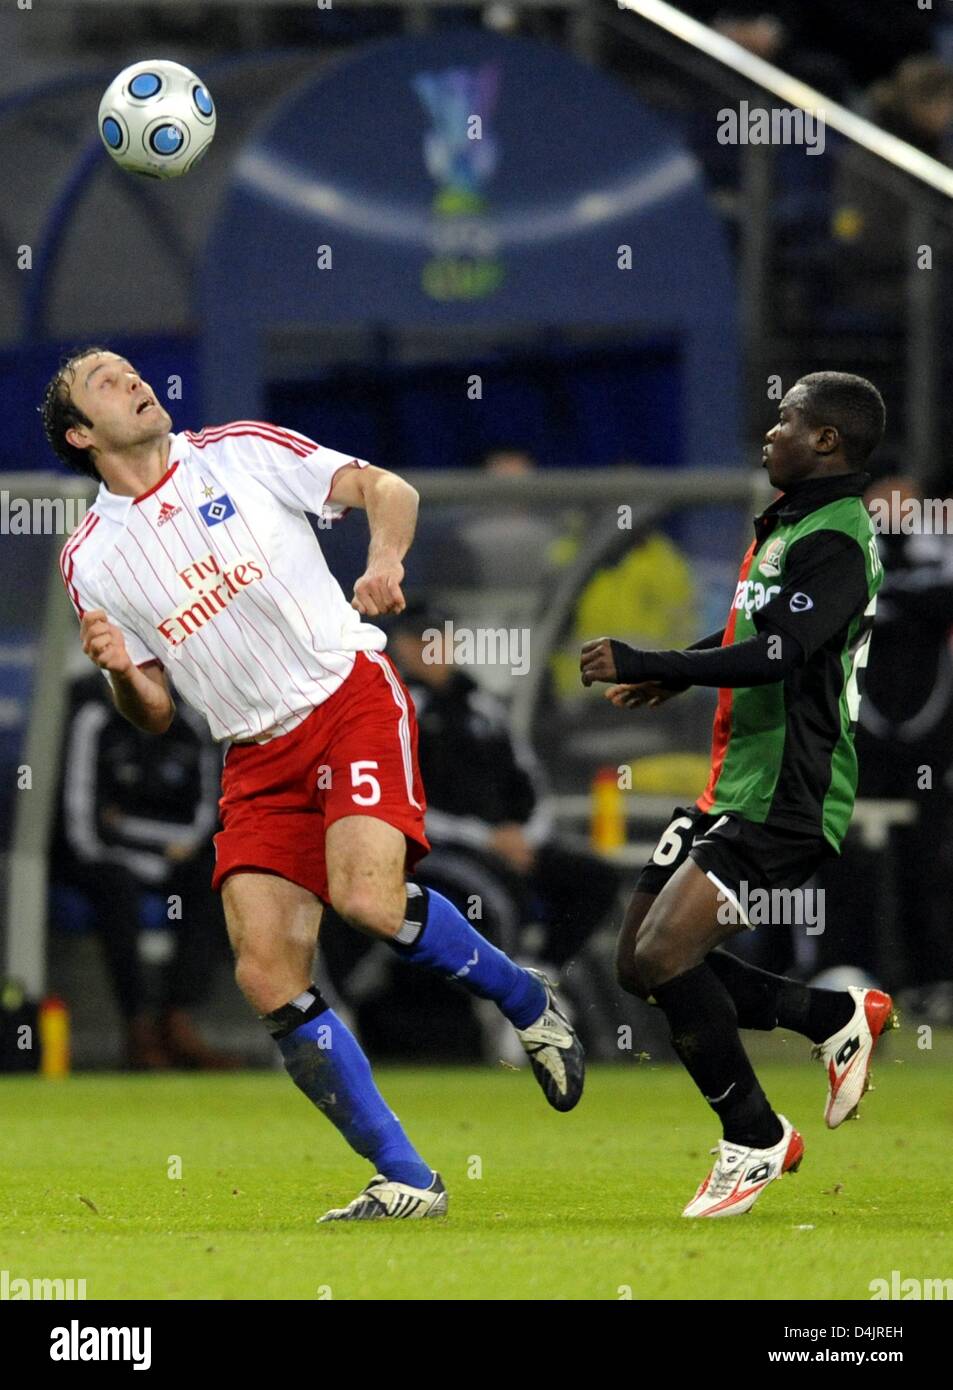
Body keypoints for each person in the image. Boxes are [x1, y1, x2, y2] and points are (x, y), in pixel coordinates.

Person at [43, 346, 584, 1223]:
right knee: (265, 975)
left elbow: (389, 490)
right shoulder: (92, 559)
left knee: (367, 901)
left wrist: (385, 560)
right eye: (105, 381)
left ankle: (525, 999)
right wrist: (118, 672)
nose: (135, 379)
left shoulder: (238, 451)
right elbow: (150, 709)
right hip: (253, 756)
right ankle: (406, 1176)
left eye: (131, 369)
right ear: (79, 433)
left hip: (346, 701)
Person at [580, 371, 896, 1218]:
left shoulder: (836, 535)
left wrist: (654, 662)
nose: (769, 429)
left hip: (788, 796)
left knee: (660, 958)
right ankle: (830, 1013)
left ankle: (753, 1136)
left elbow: (780, 653)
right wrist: (679, 675)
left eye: (786, 418)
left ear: (825, 439)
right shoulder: (788, 525)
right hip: (733, 785)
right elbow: (753, 631)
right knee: (636, 961)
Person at [52, 670, 239, 1070]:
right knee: (116, 886)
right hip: (102, 860)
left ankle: (177, 1018)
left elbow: (207, 818)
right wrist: (154, 844)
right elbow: (83, 829)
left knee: (216, 877)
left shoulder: (190, 723)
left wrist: (127, 827)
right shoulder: (94, 719)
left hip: (171, 856)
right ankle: (137, 1027)